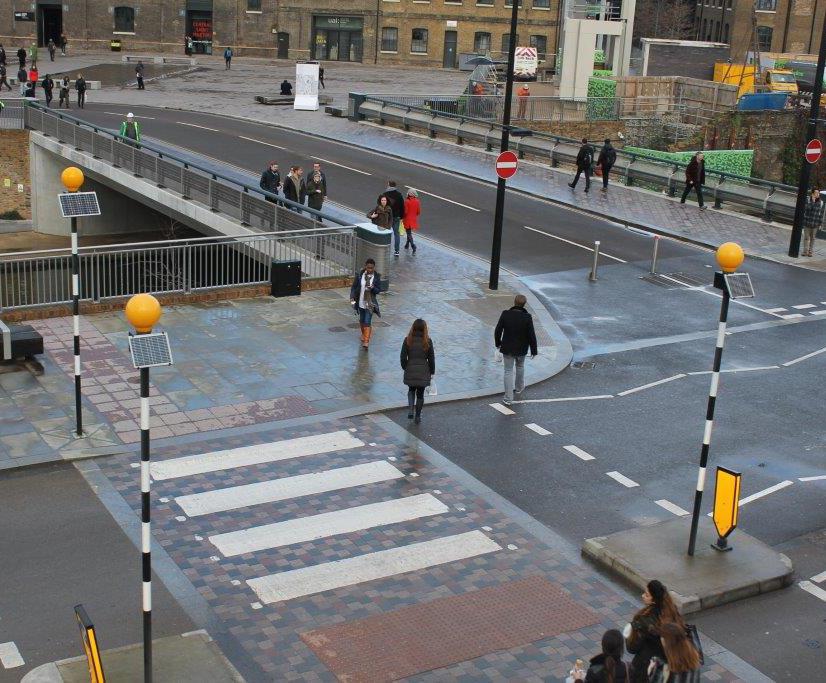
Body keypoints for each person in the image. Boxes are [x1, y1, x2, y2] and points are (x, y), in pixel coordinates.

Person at [626, 580, 685, 683]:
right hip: (668, 665)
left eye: (647, 595)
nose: (642, 595)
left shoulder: (644, 620)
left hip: (644, 667)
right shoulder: (672, 612)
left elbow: (632, 648)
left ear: (654, 600)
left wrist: (627, 635)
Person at [494, 294, 538, 406]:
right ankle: (519, 388)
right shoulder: (527, 317)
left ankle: (508, 398)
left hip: (507, 348)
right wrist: (534, 350)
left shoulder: (505, 314)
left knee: (508, 371)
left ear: (514, 302)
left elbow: (498, 330)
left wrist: (498, 343)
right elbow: (531, 335)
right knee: (520, 366)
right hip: (522, 349)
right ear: (524, 304)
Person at [400, 319, 436, 424]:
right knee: (420, 394)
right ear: (425, 329)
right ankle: (418, 416)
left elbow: (402, 357)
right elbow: (431, 358)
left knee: (411, 389)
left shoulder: (407, 340)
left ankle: (411, 409)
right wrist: (432, 371)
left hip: (410, 368)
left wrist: (406, 367)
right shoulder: (427, 341)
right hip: (423, 371)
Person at [350, 258, 381, 349]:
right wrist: (352, 298)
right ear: (365, 267)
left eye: (371, 268)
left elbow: (378, 290)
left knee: (367, 321)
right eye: (368, 267)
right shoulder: (360, 275)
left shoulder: (376, 277)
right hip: (360, 302)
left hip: (370, 303)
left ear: (374, 268)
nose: (369, 270)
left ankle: (366, 341)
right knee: (362, 320)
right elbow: (354, 287)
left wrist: (372, 288)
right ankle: (364, 334)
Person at [379, 180, 405, 256]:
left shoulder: (385, 194)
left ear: (389, 185)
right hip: (396, 217)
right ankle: (397, 251)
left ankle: (384, 249)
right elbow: (402, 207)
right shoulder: (399, 195)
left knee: (385, 232)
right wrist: (401, 216)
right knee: (396, 233)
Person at [802, 187, 824, 257]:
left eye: (818, 193)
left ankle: (810, 252)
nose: (817, 194)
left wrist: (820, 223)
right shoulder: (808, 200)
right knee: (806, 237)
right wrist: (812, 202)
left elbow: (821, 214)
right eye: (816, 193)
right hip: (807, 222)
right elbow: (807, 209)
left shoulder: (821, 202)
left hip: (815, 224)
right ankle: (805, 251)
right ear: (812, 194)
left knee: (813, 238)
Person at [403, 188, 420, 253]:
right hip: (413, 219)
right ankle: (407, 245)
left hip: (407, 219)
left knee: (408, 233)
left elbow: (405, 212)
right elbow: (418, 212)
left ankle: (413, 245)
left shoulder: (406, 201)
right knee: (409, 232)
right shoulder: (417, 201)